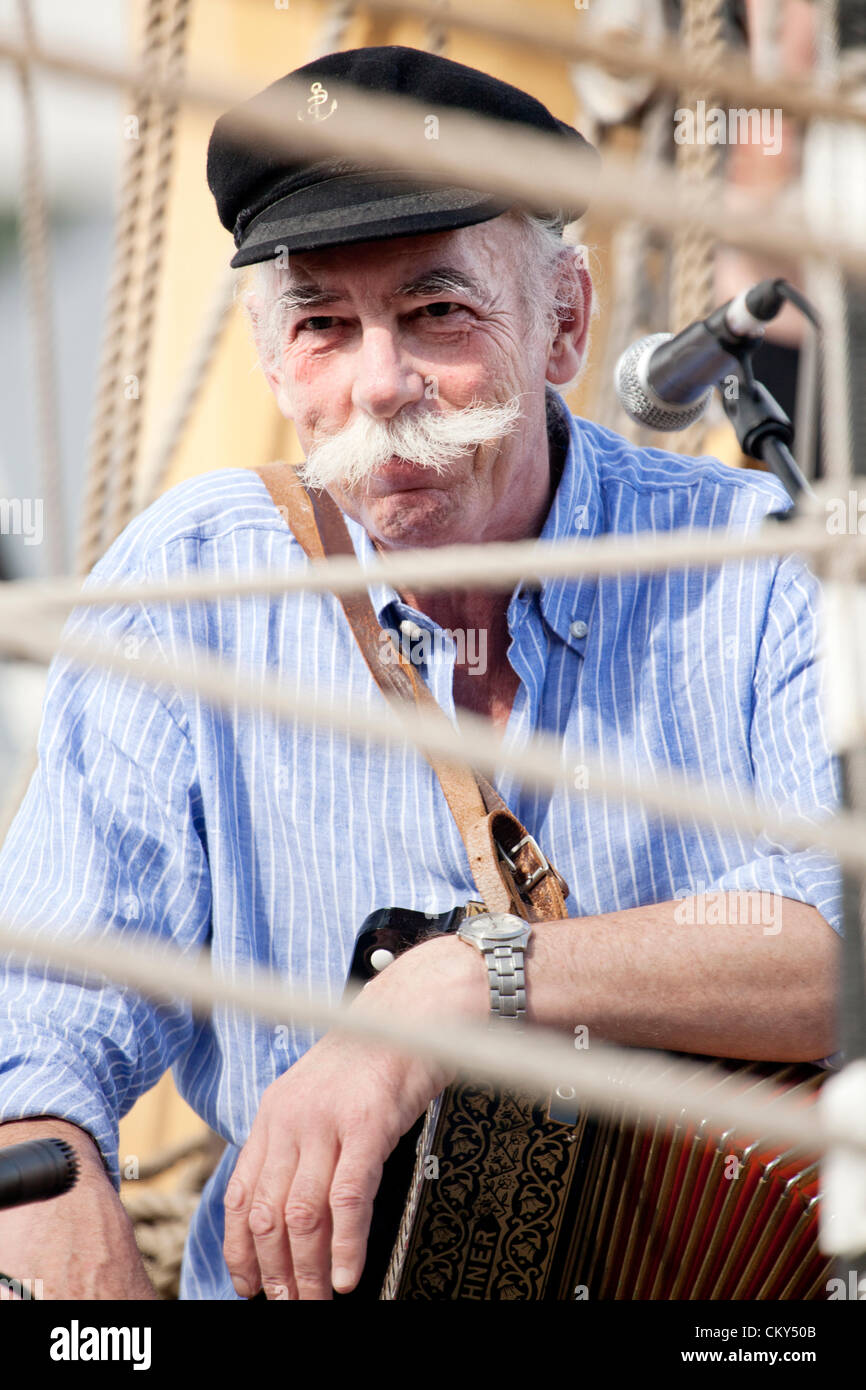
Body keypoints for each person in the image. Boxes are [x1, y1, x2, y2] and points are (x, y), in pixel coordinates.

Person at [0, 46, 840, 1301]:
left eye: (438, 311)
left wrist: (465, 982)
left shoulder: (754, 559)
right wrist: (54, 1184)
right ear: (276, 366)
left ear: (564, 320)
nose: (378, 385)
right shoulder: (188, 580)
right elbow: (45, 1014)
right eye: (323, 326)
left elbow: (845, 934)